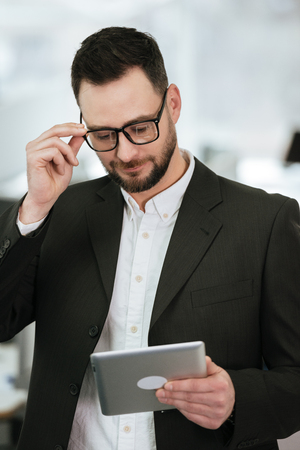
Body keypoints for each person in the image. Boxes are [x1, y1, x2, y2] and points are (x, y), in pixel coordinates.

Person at [0, 26, 300, 450]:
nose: (124, 153)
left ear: (173, 104)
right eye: (104, 135)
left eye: (140, 128)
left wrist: (236, 397)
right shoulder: (58, 210)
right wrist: (32, 212)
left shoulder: (266, 221)